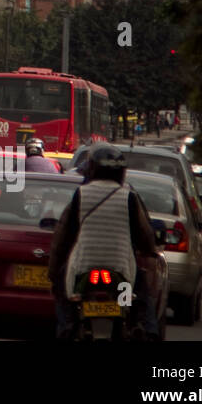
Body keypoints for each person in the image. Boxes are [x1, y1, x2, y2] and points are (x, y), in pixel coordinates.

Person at [49, 143, 162, 340]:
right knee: (138, 298)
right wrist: (149, 250)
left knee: (65, 297)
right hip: (122, 269)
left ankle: (67, 326)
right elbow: (144, 234)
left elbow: (63, 236)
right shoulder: (129, 197)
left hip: (82, 268)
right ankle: (146, 330)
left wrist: (53, 270)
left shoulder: (80, 194)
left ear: (92, 168)